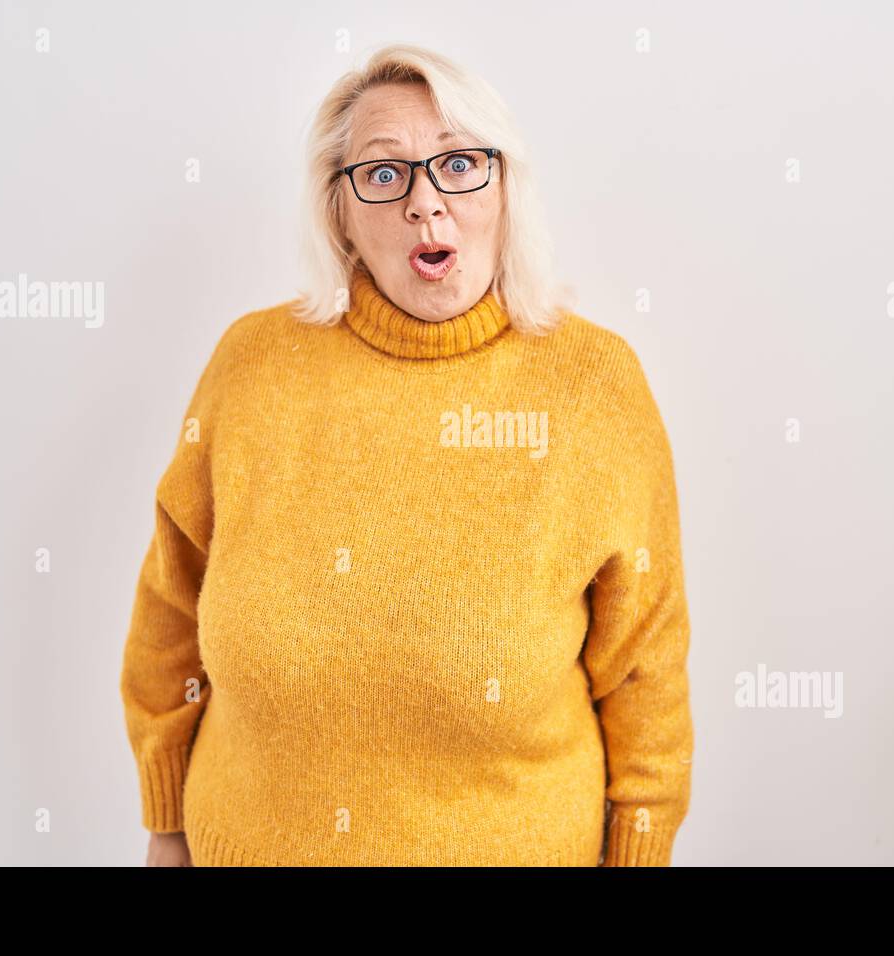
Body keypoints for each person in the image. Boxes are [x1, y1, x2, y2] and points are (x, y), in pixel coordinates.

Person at [121, 42, 694, 867]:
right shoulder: (251, 367)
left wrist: (639, 854)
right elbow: (170, 609)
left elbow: (646, 673)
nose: (427, 204)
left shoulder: (593, 388)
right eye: (385, 176)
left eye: (460, 164)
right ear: (340, 211)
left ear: (505, 188)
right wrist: (167, 823)